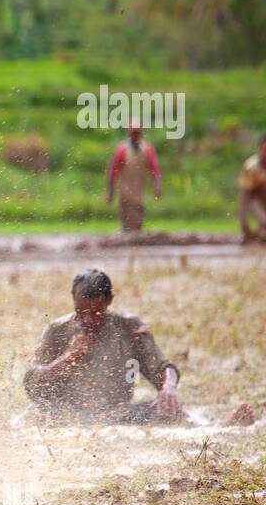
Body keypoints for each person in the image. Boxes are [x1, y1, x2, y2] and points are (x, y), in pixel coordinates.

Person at [24, 269, 185, 424]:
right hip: (65, 415)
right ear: (73, 299)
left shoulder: (129, 327)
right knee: (34, 414)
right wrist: (68, 358)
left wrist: (168, 389)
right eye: (81, 312)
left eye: (96, 313)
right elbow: (33, 383)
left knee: (172, 411)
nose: (88, 320)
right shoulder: (57, 330)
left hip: (118, 415)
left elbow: (163, 367)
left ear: (109, 300)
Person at [105, 121, 162, 233]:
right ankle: (128, 246)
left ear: (141, 132)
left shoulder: (147, 149)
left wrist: (157, 186)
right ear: (129, 132)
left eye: (137, 132)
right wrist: (110, 192)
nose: (135, 135)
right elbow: (113, 172)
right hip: (125, 195)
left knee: (138, 225)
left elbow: (155, 169)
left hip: (139, 195)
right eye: (133, 133)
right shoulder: (122, 150)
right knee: (127, 226)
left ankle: (134, 247)